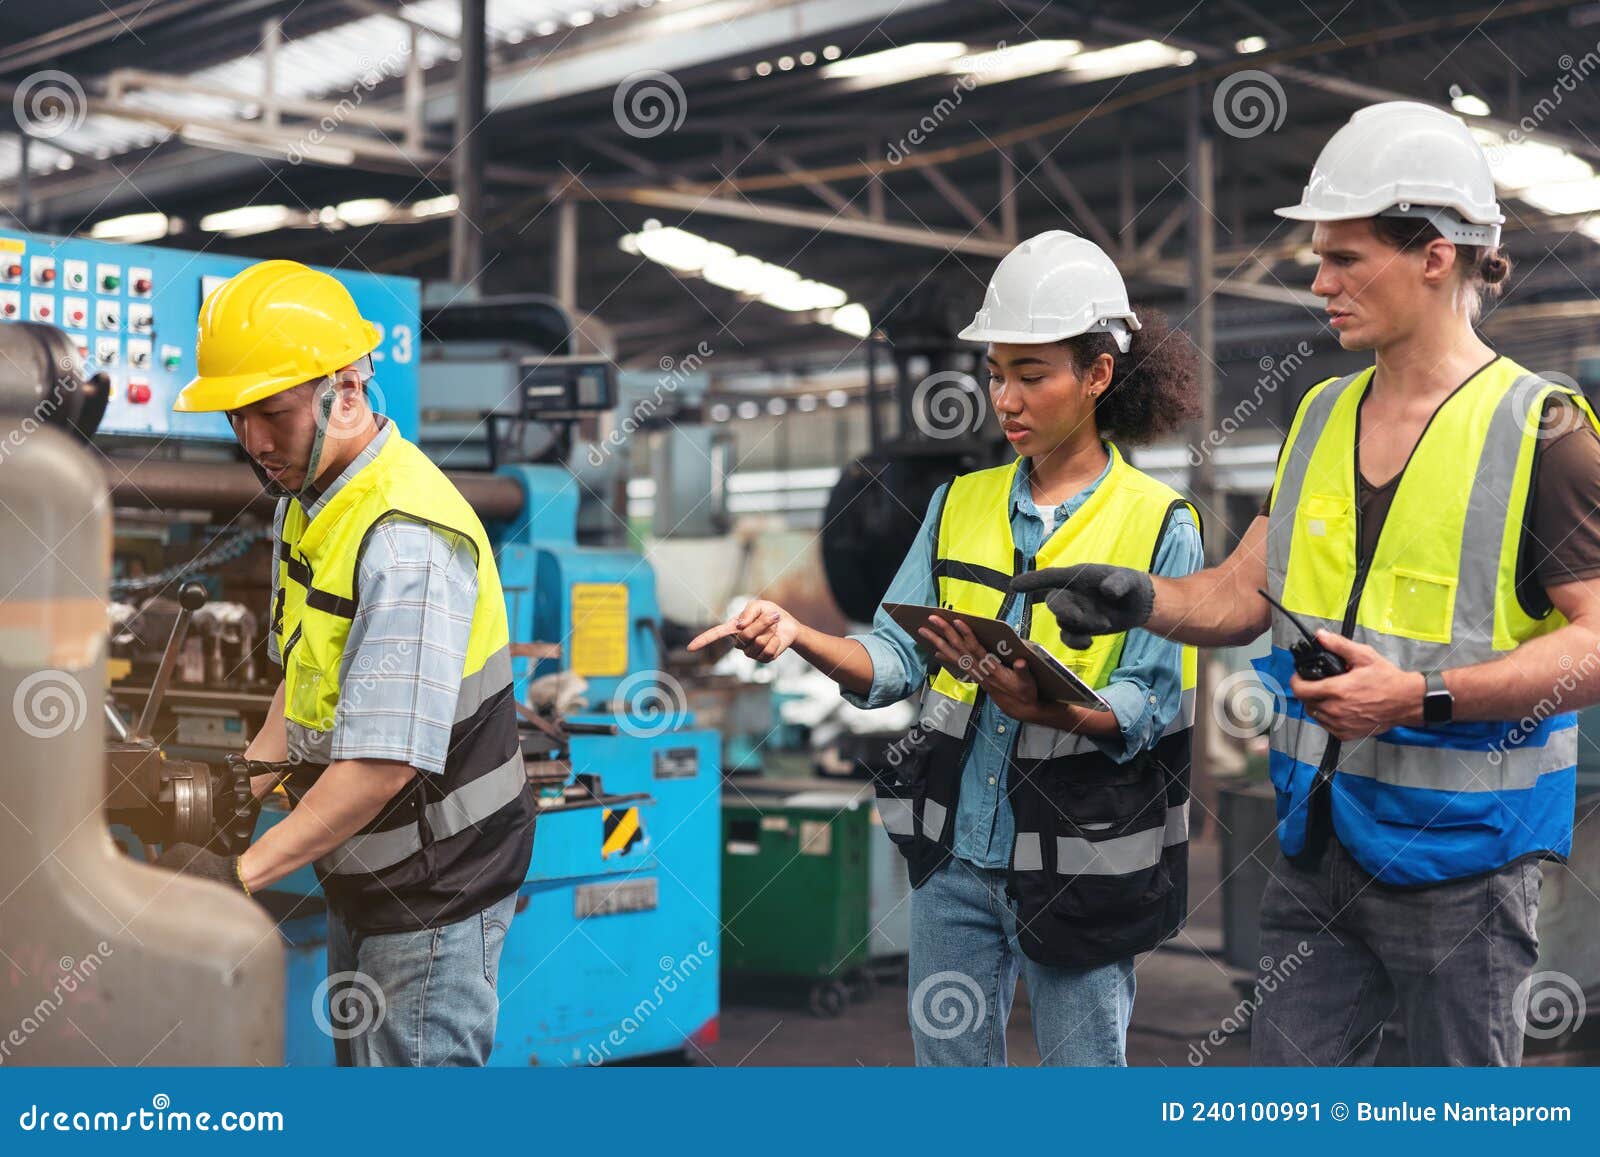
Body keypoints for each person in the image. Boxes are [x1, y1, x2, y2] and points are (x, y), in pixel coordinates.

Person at [1016, 102, 1600, 1066]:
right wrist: (1142, 597)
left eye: (1344, 258)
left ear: (1436, 255)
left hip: (1462, 863)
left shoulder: (1544, 431)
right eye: (1317, 258)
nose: (1318, 281)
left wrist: (1418, 696)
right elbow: (1247, 592)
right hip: (1314, 849)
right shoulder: (1323, 413)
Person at [691, 231, 1203, 1065]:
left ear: (1098, 374)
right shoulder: (956, 505)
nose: (1005, 399)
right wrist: (800, 637)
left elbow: (1152, 700)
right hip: (955, 856)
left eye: (1031, 376)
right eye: (996, 374)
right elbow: (895, 658)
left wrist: (1060, 706)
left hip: (1078, 857)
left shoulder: (1159, 522)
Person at [155, 260, 537, 1066]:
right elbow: (305, 681)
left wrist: (240, 871)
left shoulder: (405, 538)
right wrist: (234, 789)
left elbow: (381, 765)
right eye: (237, 417)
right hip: (368, 872)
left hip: (437, 889)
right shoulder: (312, 503)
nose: (254, 443)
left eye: (273, 413)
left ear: (346, 391)